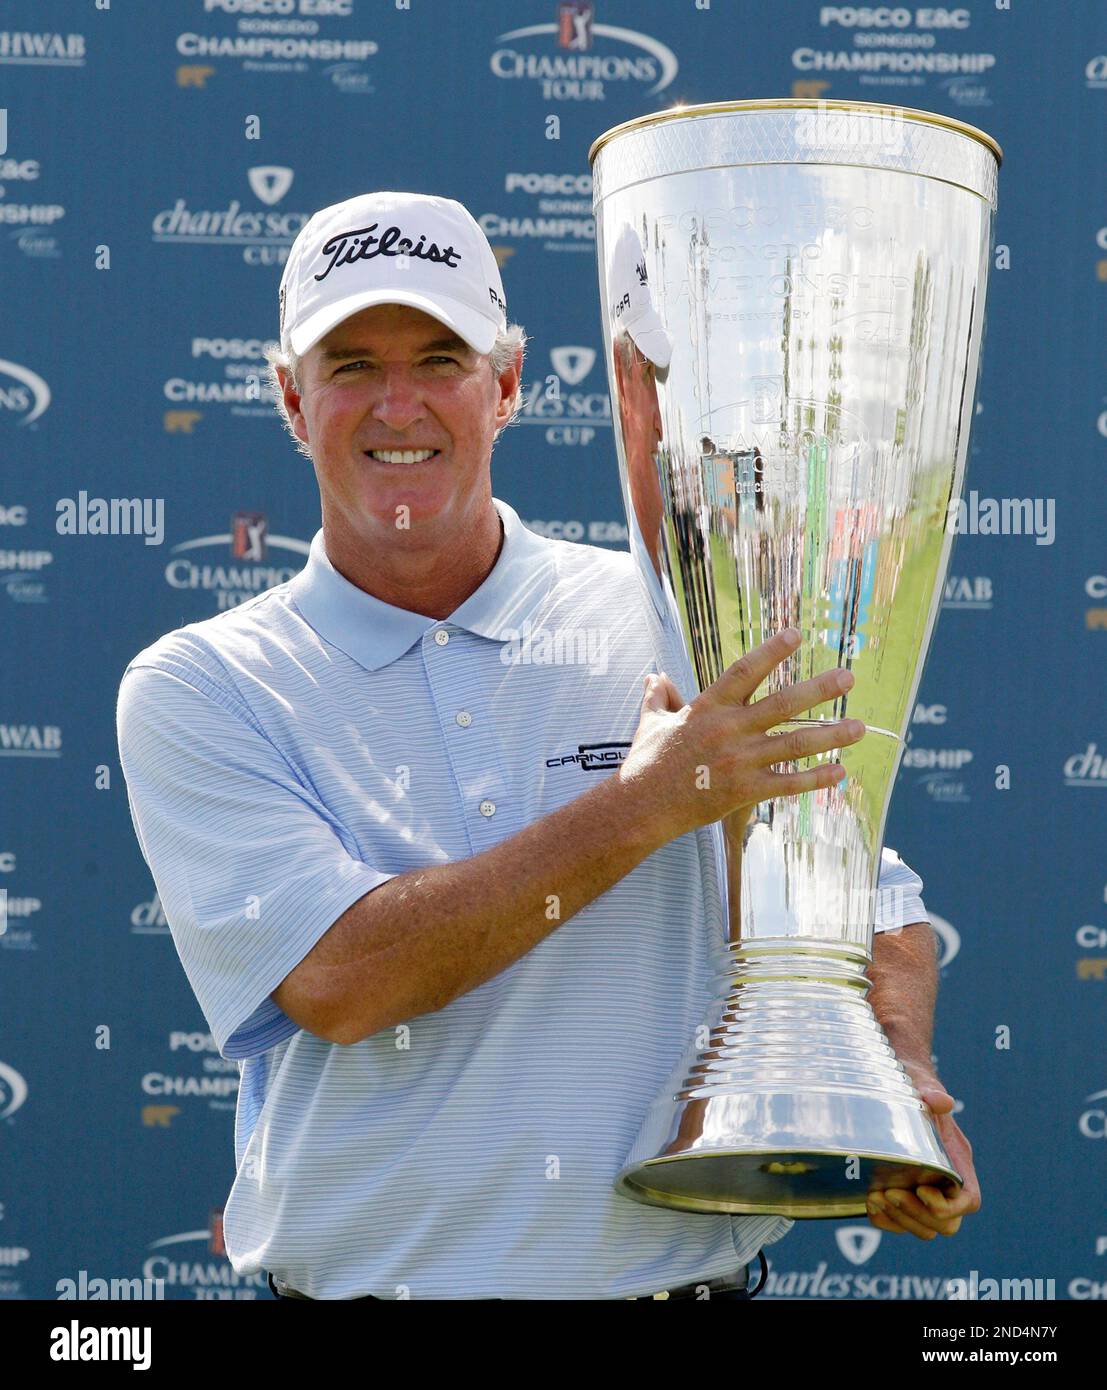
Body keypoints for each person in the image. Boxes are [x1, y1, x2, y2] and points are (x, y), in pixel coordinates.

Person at [116, 190, 979, 1301]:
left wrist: (892, 1081)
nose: (399, 404)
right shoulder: (204, 682)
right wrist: (650, 803)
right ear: (291, 398)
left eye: (440, 358)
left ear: (509, 386)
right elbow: (343, 977)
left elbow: (863, 898)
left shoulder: (676, 609)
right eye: (348, 366)